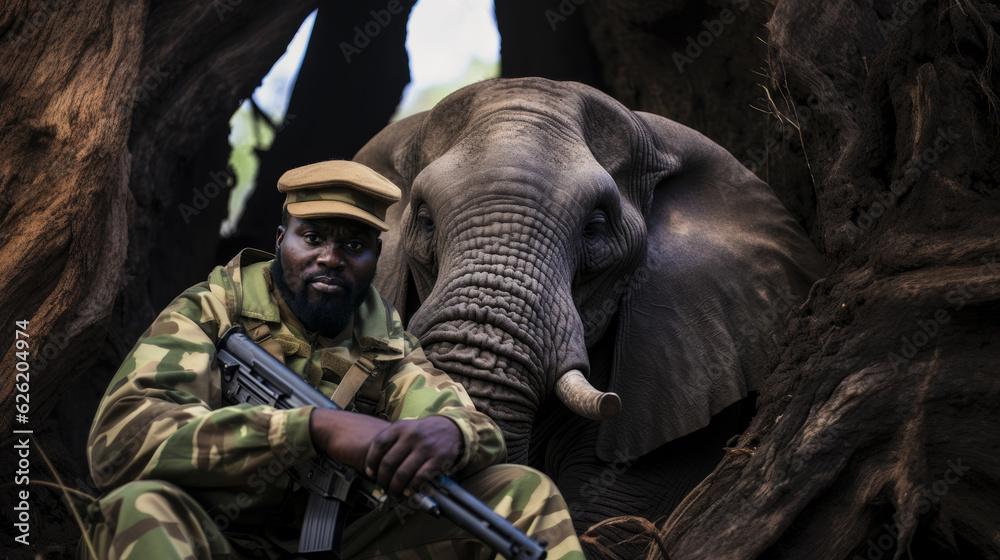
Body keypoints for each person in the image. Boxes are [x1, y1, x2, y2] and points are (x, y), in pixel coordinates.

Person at [81, 160, 584, 560]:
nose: (331, 258)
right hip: (210, 540)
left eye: (354, 245)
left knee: (521, 493)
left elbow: (471, 423)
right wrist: (311, 430)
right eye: (313, 237)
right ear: (281, 241)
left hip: (343, 544)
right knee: (134, 509)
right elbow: (119, 443)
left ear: (376, 258)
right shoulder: (211, 312)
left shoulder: (387, 345)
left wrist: (452, 435)